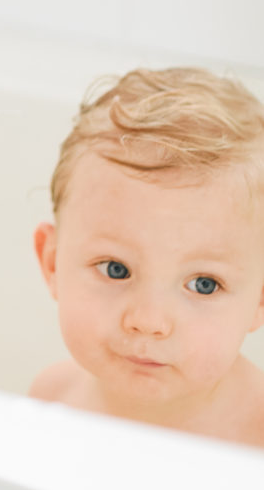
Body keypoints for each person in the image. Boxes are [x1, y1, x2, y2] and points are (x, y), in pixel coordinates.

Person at [30, 67, 264, 445]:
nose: (148, 321)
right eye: (115, 269)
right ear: (52, 262)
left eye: (204, 285)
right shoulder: (52, 399)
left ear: (260, 298)